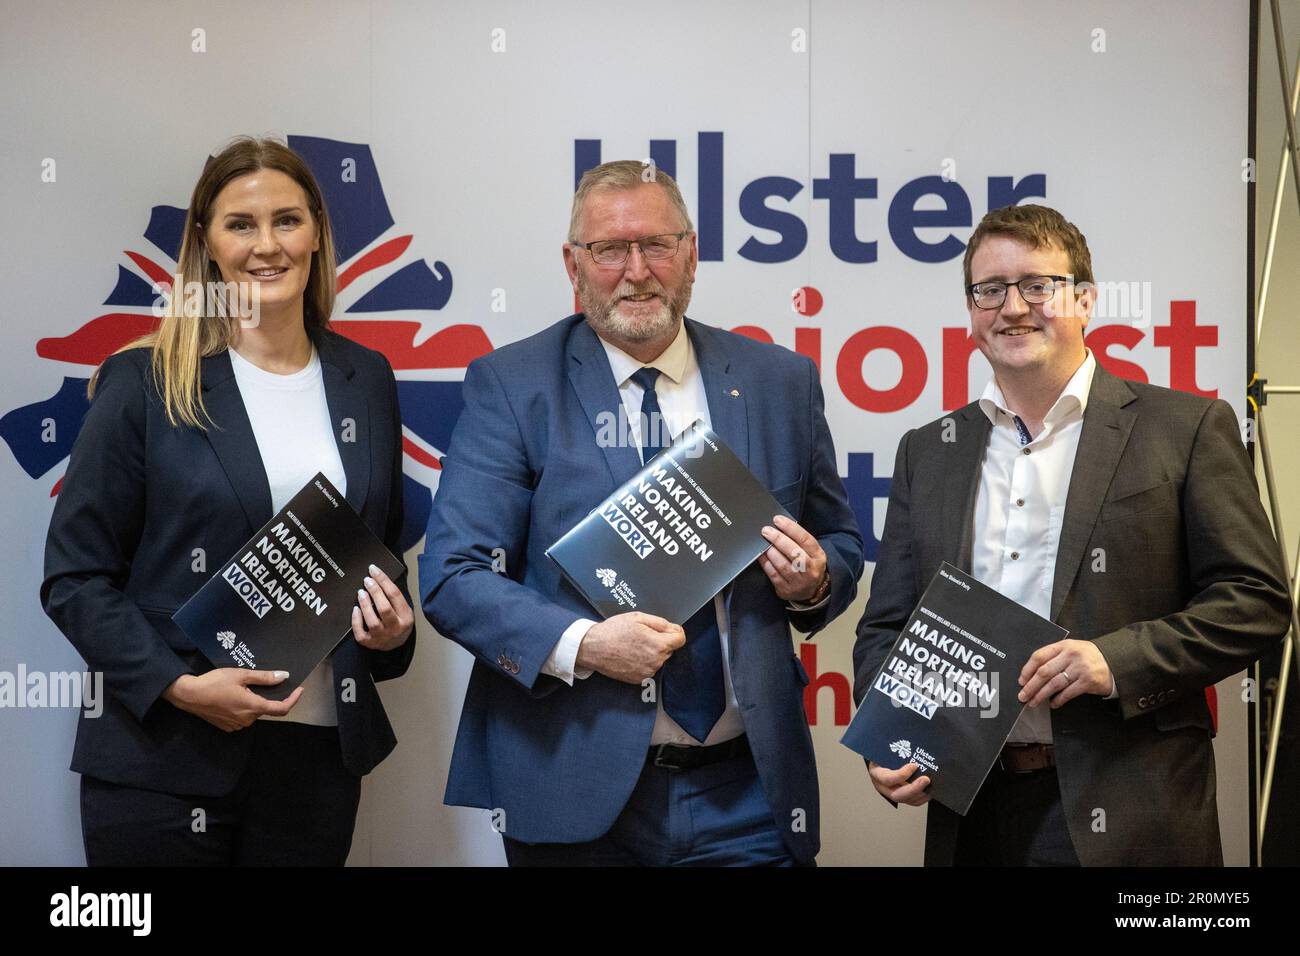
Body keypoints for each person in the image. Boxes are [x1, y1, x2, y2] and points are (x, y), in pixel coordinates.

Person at [420, 160, 863, 866]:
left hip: (748, 792)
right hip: (572, 786)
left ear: (691, 255)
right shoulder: (512, 385)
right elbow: (453, 575)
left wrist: (812, 580)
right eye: (608, 250)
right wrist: (585, 646)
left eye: (657, 245)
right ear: (573, 264)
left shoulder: (778, 381)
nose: (636, 270)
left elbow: (840, 541)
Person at [852, 203, 1291, 866]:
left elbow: (1256, 603)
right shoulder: (929, 451)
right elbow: (886, 628)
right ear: (971, 311)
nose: (1012, 307)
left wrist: (1112, 661)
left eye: (1038, 285)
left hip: (1132, 808)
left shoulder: (1185, 428)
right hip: (972, 808)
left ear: (1085, 300)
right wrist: (891, 740)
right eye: (989, 290)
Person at [42, 136, 416, 866]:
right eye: (240, 224)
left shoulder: (365, 379)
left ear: (316, 234)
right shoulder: (147, 379)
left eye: (286, 220)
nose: (266, 245)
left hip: (315, 768)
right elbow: (74, 578)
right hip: (162, 770)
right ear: (206, 244)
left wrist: (394, 631)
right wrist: (178, 685)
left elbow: (380, 554)